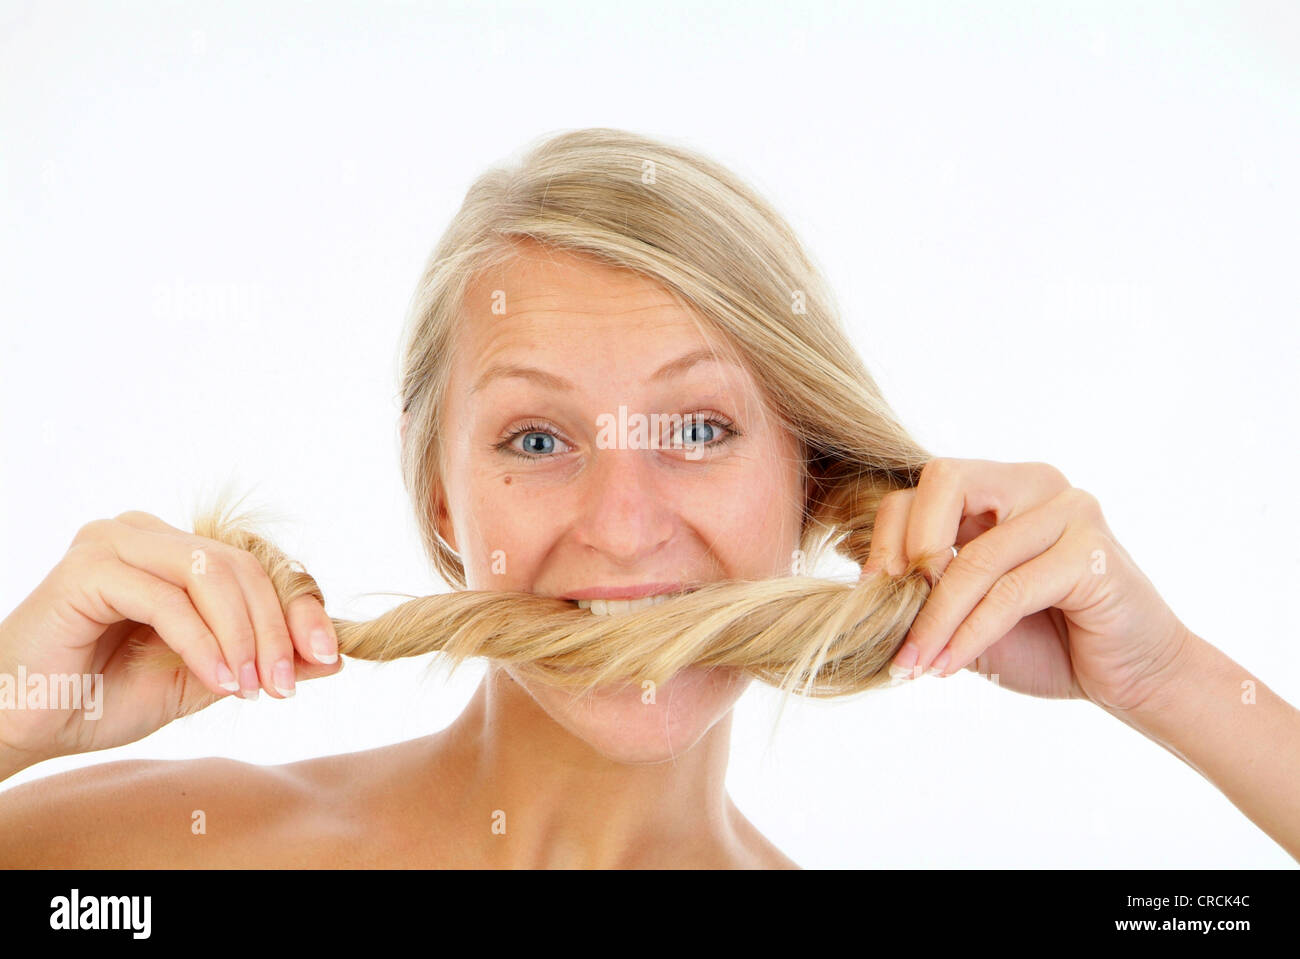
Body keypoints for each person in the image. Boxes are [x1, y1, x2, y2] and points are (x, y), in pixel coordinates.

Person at [1, 129, 1297, 868]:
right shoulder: (158, 862)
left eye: (697, 427)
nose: (623, 521)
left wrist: (1170, 680)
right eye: (535, 436)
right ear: (443, 503)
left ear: (813, 478)